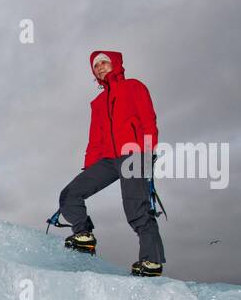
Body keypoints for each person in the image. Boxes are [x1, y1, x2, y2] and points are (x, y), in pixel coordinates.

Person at [58, 50, 166, 276]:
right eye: (96, 66)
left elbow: (148, 119)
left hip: (133, 153)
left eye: (104, 62)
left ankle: (151, 262)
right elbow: (95, 138)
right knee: (70, 194)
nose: (100, 67)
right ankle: (84, 236)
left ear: (115, 64)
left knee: (136, 208)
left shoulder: (134, 87)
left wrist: (148, 150)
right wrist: (89, 169)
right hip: (106, 159)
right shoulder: (97, 103)